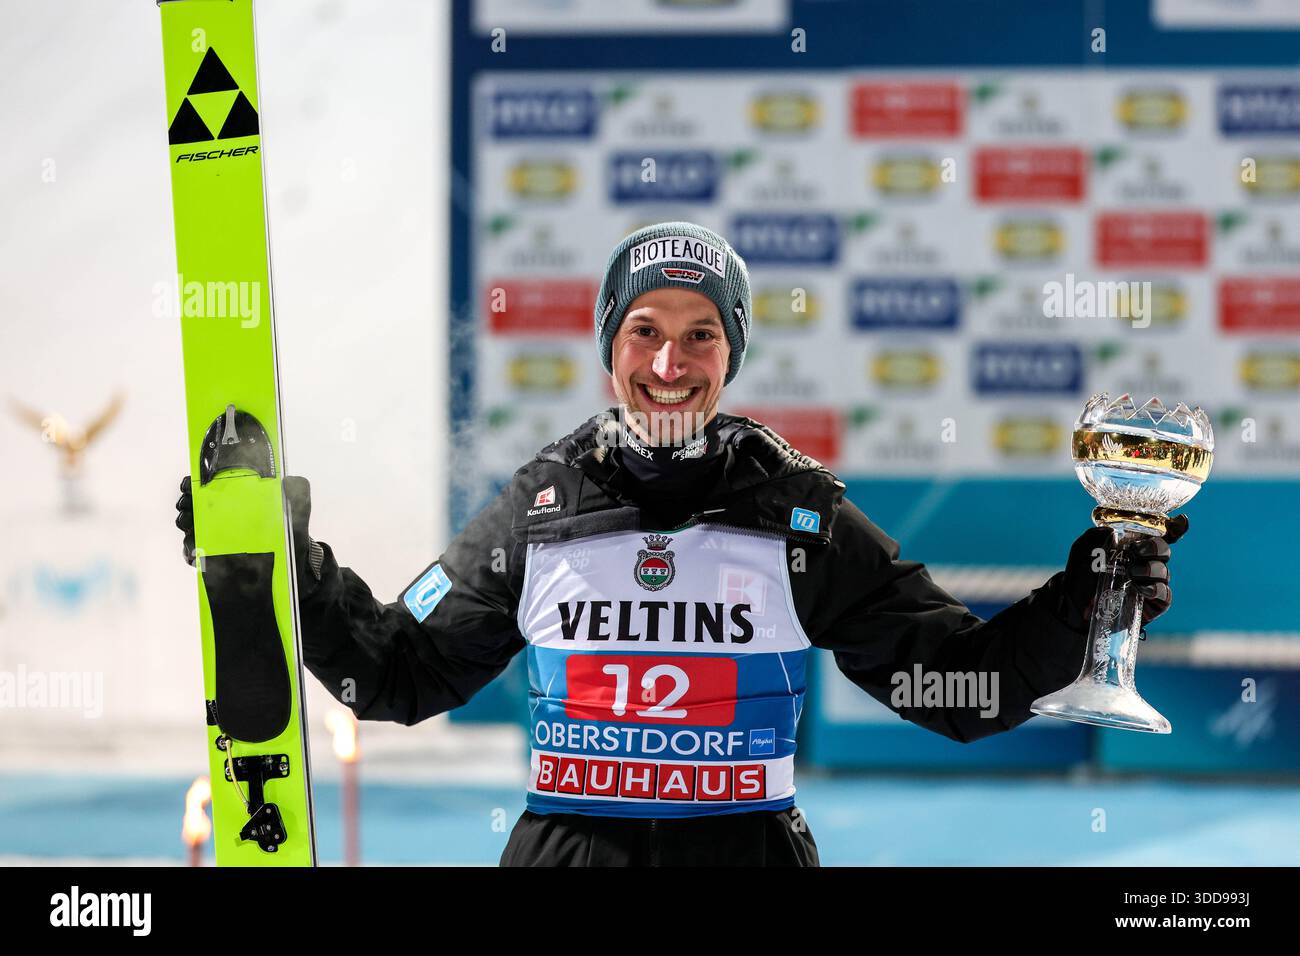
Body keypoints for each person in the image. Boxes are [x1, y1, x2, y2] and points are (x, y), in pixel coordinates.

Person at [175, 221, 1187, 867]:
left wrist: (1086, 595)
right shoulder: (539, 507)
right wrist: (282, 565)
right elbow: (394, 672)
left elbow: (966, 690)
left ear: (731, 352)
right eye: (644, 328)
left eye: (701, 333)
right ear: (612, 346)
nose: (670, 360)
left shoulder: (799, 517)